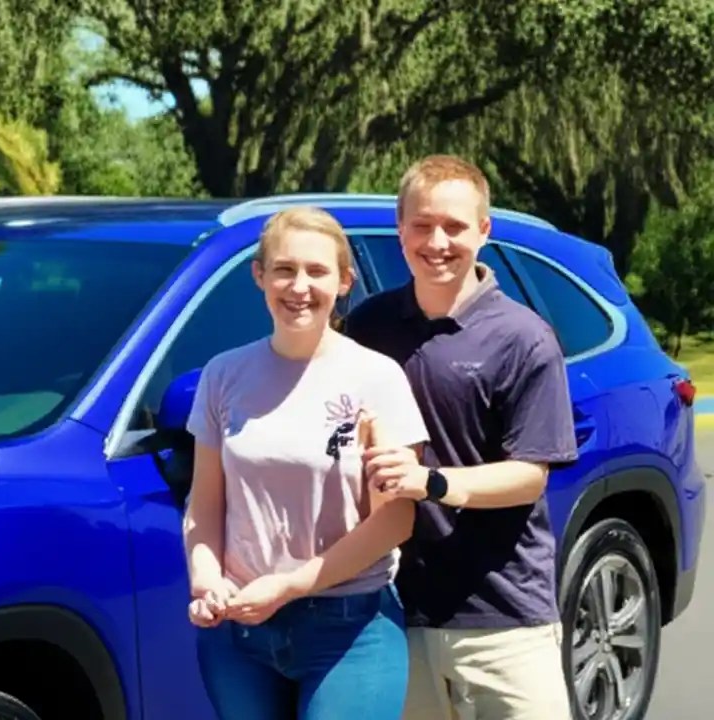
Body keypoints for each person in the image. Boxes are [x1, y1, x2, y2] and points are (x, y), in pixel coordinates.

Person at [345, 154, 579, 719]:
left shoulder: (523, 339)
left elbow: (528, 477)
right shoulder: (367, 328)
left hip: (504, 617)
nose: (437, 242)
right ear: (400, 230)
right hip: (398, 614)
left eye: (453, 226)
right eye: (422, 225)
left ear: (483, 230)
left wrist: (429, 482)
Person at [182, 206, 430, 720]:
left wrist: (292, 584)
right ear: (260, 276)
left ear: (344, 281)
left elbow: (395, 519)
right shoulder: (223, 375)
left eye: (317, 271)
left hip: (350, 626)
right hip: (239, 634)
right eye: (284, 269)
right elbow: (204, 503)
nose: (299, 286)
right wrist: (206, 579)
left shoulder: (376, 378)